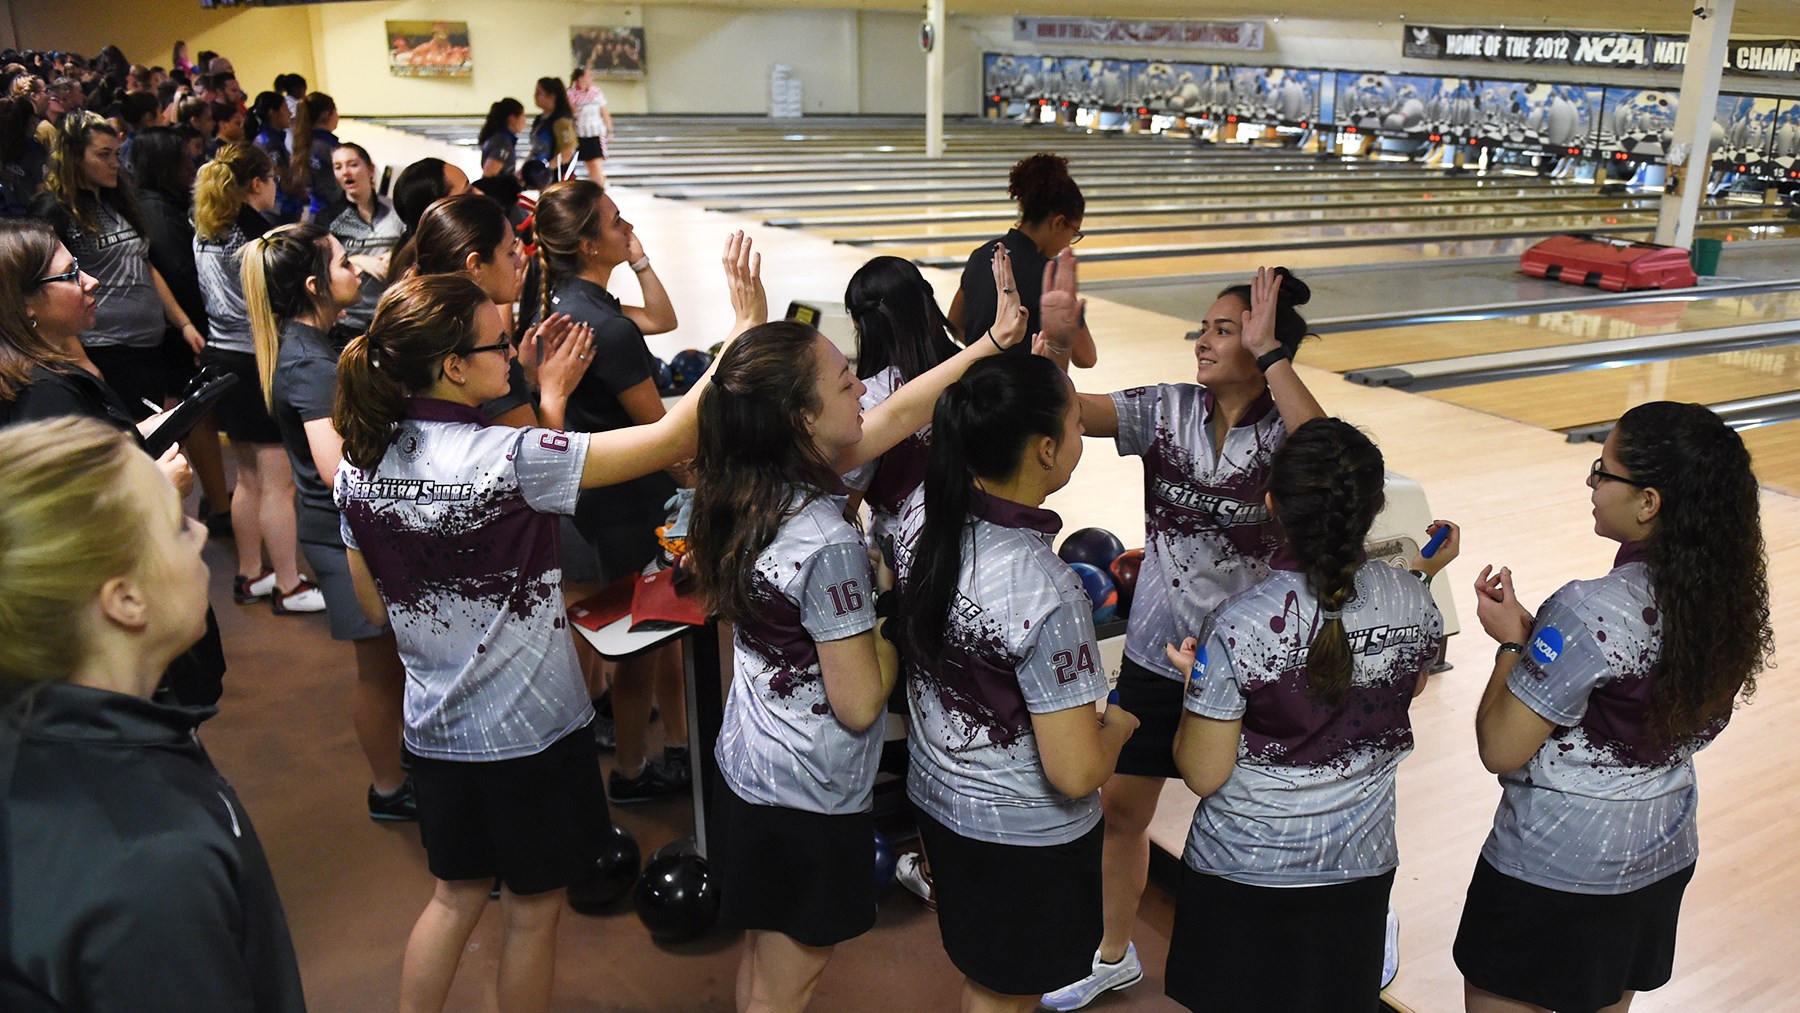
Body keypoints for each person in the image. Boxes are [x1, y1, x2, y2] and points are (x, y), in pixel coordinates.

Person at [330, 238, 760, 1013]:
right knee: (531, 913)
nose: (511, 355)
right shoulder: (510, 455)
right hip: (527, 732)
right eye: (497, 345)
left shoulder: (358, 467)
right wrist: (742, 330)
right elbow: (670, 438)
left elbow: (374, 608)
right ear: (453, 367)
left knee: (453, 897)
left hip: (434, 728)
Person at [688, 248, 1026, 1013]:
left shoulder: (741, 484)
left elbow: (904, 411)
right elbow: (860, 703)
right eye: (848, 382)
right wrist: (880, 605)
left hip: (749, 767)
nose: (867, 392)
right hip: (809, 793)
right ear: (804, 419)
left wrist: (990, 346)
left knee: (763, 957)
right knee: (789, 981)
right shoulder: (828, 541)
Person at [1040, 263, 1326, 1012]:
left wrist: (1272, 358)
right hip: (1155, 656)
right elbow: (1062, 410)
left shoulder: (1285, 437)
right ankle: (1111, 954)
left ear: (1264, 348)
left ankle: (1270, 957)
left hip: (1249, 668)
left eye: (1223, 329)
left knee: (1250, 829)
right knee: (1122, 810)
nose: (1203, 339)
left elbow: (1331, 459)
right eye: (1203, 326)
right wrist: (1060, 343)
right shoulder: (1165, 411)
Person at [1454, 401, 1771, 1013]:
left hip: (1553, 867)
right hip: (1658, 856)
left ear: (1649, 501)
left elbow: (1501, 746)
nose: (1592, 483)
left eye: (1604, 470)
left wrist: (1515, 645)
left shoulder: (1590, 610)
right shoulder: (1726, 602)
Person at [0, 416, 305, 1012]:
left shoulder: (45, 736)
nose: (197, 536)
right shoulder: (150, 871)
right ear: (125, 600)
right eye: (173, 526)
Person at [1161, 418, 1453, 1012]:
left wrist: (1204, 690)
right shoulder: (1413, 597)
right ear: (1374, 508)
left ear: (1272, 504)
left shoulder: (1239, 623)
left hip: (1242, 871)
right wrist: (1420, 575)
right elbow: (1406, 682)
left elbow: (1202, 771)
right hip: (1358, 868)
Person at [892, 353, 1138, 1013]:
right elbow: (1076, 770)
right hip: (1022, 838)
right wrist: (1118, 721)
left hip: (939, 800)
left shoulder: (920, 512)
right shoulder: (1047, 586)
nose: (1084, 436)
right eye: (1078, 423)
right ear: (1048, 449)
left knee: (988, 979)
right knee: (1009, 993)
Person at [241, 221, 415, 820]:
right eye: (345, 263)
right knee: (378, 669)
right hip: (342, 540)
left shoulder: (321, 337)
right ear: (315, 284)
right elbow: (340, 468)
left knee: (392, 660)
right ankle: (389, 788)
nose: (356, 270)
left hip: (351, 533)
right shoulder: (307, 364)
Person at [531, 178, 688, 802]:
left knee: (654, 644)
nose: (628, 228)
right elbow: (663, 433)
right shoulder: (608, 330)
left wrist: (639, 255)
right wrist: (707, 486)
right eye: (617, 222)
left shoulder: (570, 309)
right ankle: (630, 774)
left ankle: (672, 749)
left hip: (591, 505)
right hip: (631, 509)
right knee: (640, 652)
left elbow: (665, 318)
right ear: (588, 243)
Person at [193, 142, 323, 614]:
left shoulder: (205, 228)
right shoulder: (256, 236)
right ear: (255, 184)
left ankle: (252, 574)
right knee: (277, 484)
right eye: (271, 179)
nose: (276, 188)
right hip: (254, 360)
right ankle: (289, 585)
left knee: (247, 478)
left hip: (219, 359)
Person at [34, 111, 202, 411]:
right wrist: (81, 359)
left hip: (151, 344)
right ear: (74, 157)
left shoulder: (118, 200)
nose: (114, 163)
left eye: (116, 154)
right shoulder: (55, 211)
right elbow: (51, 289)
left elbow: (145, 265)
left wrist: (183, 322)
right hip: (103, 347)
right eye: (103, 155)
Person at [131, 124, 231, 532]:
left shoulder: (160, 204)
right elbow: (178, 272)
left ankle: (215, 502)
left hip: (179, 328)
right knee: (193, 421)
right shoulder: (157, 210)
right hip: (179, 333)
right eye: (184, 158)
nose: (192, 164)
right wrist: (194, 325)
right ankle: (219, 508)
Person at [840, 254, 961, 557]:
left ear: (867, 328)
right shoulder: (972, 372)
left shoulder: (869, 399)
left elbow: (843, 511)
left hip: (896, 558)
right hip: (975, 549)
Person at [951, 153, 1095, 368]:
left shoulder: (980, 254)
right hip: (1023, 396)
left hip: (973, 389)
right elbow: (1086, 358)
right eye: (1074, 233)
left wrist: (986, 354)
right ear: (1058, 223)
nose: (1068, 243)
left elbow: (954, 323)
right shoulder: (1049, 273)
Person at [321, 140, 403, 335]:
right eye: (338, 167)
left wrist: (397, 255)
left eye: (353, 164)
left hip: (392, 315)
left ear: (370, 169)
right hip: (349, 319)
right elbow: (320, 264)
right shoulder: (328, 217)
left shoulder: (396, 209)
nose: (345, 172)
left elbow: (416, 249)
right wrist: (357, 260)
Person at [298, 91, 340, 217]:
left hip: (316, 211)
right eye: (336, 111)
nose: (338, 116)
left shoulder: (304, 141)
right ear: (326, 114)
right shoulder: (327, 146)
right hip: (331, 213)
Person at [567, 67, 612, 184]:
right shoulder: (571, 94)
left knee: (597, 166)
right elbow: (570, 113)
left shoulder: (596, 93)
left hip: (595, 133)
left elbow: (605, 113)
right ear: (580, 78)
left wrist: (610, 130)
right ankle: (596, 189)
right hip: (580, 134)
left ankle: (600, 190)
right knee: (590, 166)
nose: (591, 78)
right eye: (588, 76)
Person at [528, 76, 576, 180]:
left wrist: (547, 169)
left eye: (539, 93)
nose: (535, 96)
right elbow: (536, 148)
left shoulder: (562, 121)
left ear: (551, 96)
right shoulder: (540, 120)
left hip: (557, 175)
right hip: (542, 175)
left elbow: (568, 151)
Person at [478, 97, 525, 179]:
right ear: (512, 118)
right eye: (523, 116)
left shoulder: (500, 138)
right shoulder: (502, 142)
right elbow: (489, 174)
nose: (524, 121)